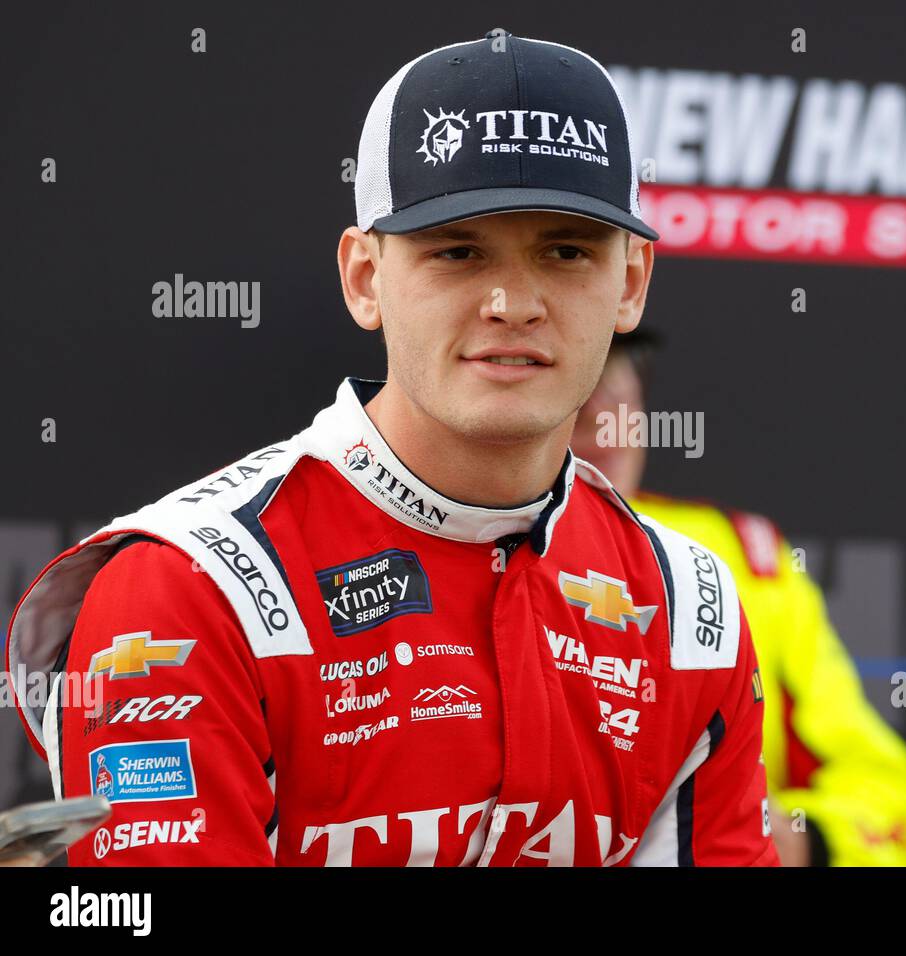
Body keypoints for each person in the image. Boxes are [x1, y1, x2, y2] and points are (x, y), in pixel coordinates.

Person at [3, 32, 778, 867]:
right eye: (458, 250)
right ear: (365, 278)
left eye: (565, 251)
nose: (513, 302)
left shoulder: (690, 608)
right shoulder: (188, 588)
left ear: (630, 283)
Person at [572, 331, 906, 866]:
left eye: (621, 397)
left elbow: (887, 788)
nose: (606, 424)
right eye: (581, 399)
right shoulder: (448, 544)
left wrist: (807, 840)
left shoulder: (743, 559)